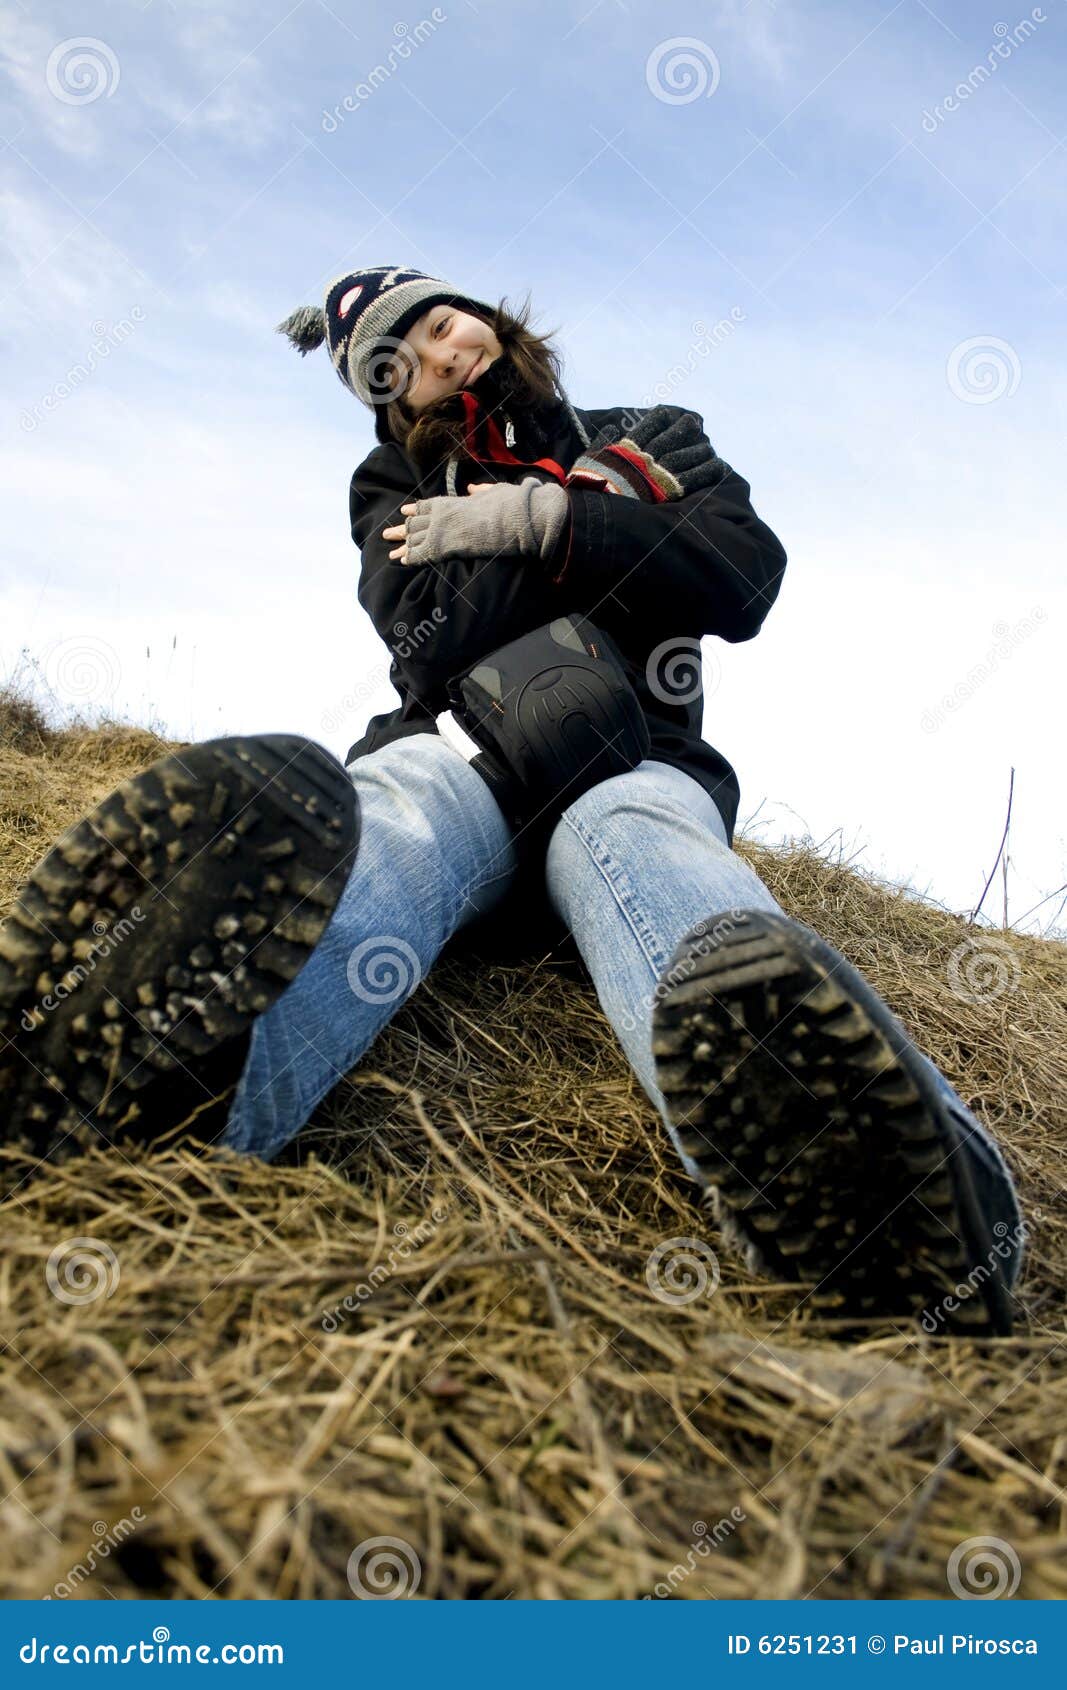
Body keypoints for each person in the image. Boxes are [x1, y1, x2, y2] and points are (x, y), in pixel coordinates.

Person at [0, 265, 1023, 1336]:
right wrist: (600, 514)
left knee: (642, 838)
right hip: (468, 754)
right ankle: (170, 1085)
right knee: (405, 800)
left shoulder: (650, 431)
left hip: (633, 760)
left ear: (481, 313)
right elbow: (431, 642)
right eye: (403, 364)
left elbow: (738, 576)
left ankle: (894, 1210)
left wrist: (532, 520)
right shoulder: (389, 483)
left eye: (444, 323)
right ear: (390, 399)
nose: (443, 356)